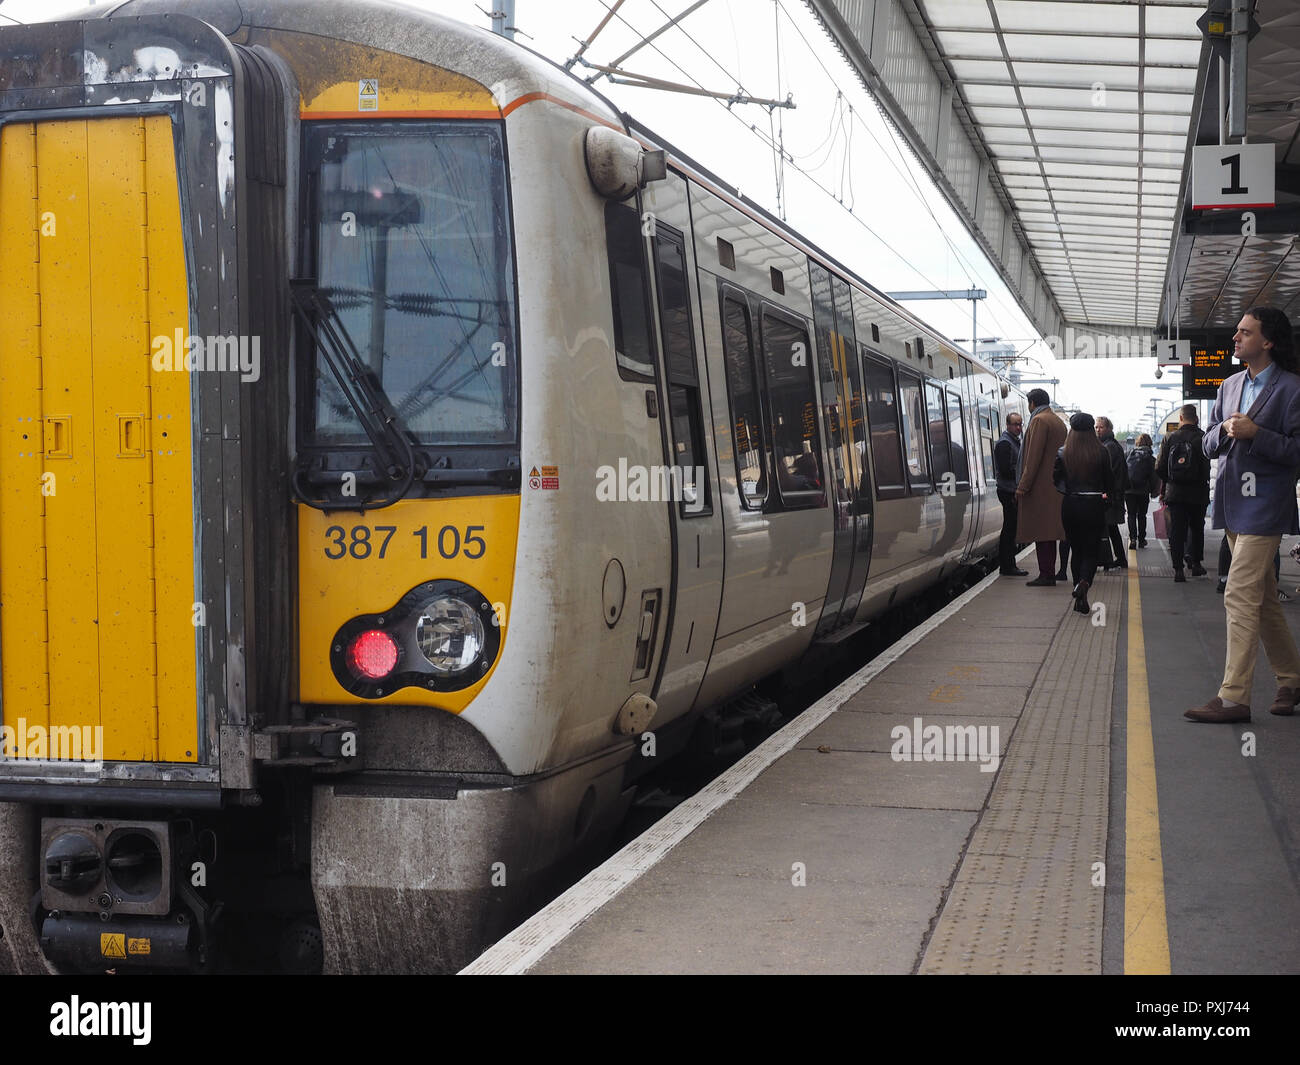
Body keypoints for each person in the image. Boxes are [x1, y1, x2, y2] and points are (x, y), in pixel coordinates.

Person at [1186, 306, 1300, 723]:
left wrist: (1258, 434)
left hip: (1267, 506)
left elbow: (1296, 450)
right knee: (1265, 599)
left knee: (1237, 593)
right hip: (1233, 502)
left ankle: (1233, 697)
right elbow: (1207, 441)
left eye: (1244, 332)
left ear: (1266, 342)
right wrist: (1225, 431)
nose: (1235, 338)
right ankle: (1291, 679)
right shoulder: (1229, 385)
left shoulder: (1292, 390)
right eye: (1236, 332)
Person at [1053, 413, 1116, 614]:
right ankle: (1084, 584)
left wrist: (1069, 492)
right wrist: (1106, 500)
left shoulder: (1063, 452)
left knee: (1076, 551)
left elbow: (1056, 480)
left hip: (1070, 505)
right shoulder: (1101, 451)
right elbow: (1110, 482)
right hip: (1094, 504)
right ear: (1091, 430)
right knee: (1091, 551)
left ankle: (1078, 593)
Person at [1015, 389, 1068, 585]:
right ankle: (1049, 572)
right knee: (1049, 533)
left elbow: (1033, 457)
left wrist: (1023, 485)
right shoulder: (1058, 422)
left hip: (1040, 487)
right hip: (1054, 486)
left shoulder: (1039, 421)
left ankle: (1046, 574)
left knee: (1041, 533)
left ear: (1032, 403)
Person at [1156, 404, 1211, 582]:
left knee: (1177, 531)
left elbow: (1159, 467)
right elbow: (1207, 467)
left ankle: (1178, 569)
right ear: (1196, 419)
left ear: (1180, 418)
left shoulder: (1170, 438)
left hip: (1175, 493)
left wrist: (1171, 480)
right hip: (1198, 492)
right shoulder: (1203, 437)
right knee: (1196, 528)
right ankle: (1195, 564)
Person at [994, 412, 1026, 576]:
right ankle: (1007, 566)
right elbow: (1006, 470)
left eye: (1020, 424)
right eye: (1015, 424)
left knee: (1011, 529)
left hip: (1010, 490)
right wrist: (1022, 473)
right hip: (1008, 491)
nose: (1019, 427)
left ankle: (1009, 565)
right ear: (1007, 425)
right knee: (1009, 529)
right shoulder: (1005, 444)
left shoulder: (1014, 442)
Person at [1095, 416, 1129, 569]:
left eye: (1101, 427)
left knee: (1106, 527)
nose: (1097, 430)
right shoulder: (1111, 444)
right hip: (1114, 493)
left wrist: (1105, 492)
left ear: (1109, 428)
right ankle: (1120, 558)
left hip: (1110, 494)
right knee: (1111, 527)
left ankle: (1107, 559)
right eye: (1096, 427)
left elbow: (1108, 472)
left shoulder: (1108, 447)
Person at [1125, 433, 1160, 547]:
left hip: (1129, 490)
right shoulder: (1150, 458)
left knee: (1131, 514)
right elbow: (1154, 476)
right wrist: (1155, 491)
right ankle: (1141, 539)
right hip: (1143, 490)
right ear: (1150, 443)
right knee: (1141, 515)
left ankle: (1133, 539)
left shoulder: (1129, 455)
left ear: (1137, 443)